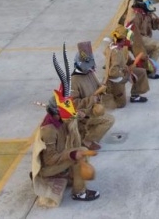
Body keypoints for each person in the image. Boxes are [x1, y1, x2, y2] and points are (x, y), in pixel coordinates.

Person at [31, 46, 100, 205]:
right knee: (79, 155)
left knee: (80, 148)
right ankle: (80, 192)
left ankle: (72, 176)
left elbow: (72, 115)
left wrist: (79, 114)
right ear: (57, 112)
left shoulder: (58, 118)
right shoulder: (49, 130)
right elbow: (50, 159)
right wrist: (71, 155)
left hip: (58, 156)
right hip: (49, 167)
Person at [70, 42, 115, 151]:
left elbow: (97, 87)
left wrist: (102, 89)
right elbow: (73, 104)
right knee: (109, 120)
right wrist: (91, 99)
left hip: (94, 108)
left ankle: (89, 131)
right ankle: (87, 140)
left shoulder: (89, 72)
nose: (89, 68)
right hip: (84, 114)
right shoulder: (74, 81)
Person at [104, 24, 150, 107]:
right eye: (126, 38)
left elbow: (123, 61)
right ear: (123, 39)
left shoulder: (116, 47)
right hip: (116, 80)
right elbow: (113, 72)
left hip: (122, 72)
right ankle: (109, 93)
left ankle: (135, 96)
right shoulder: (115, 52)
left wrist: (130, 64)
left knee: (141, 72)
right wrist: (127, 72)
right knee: (121, 104)